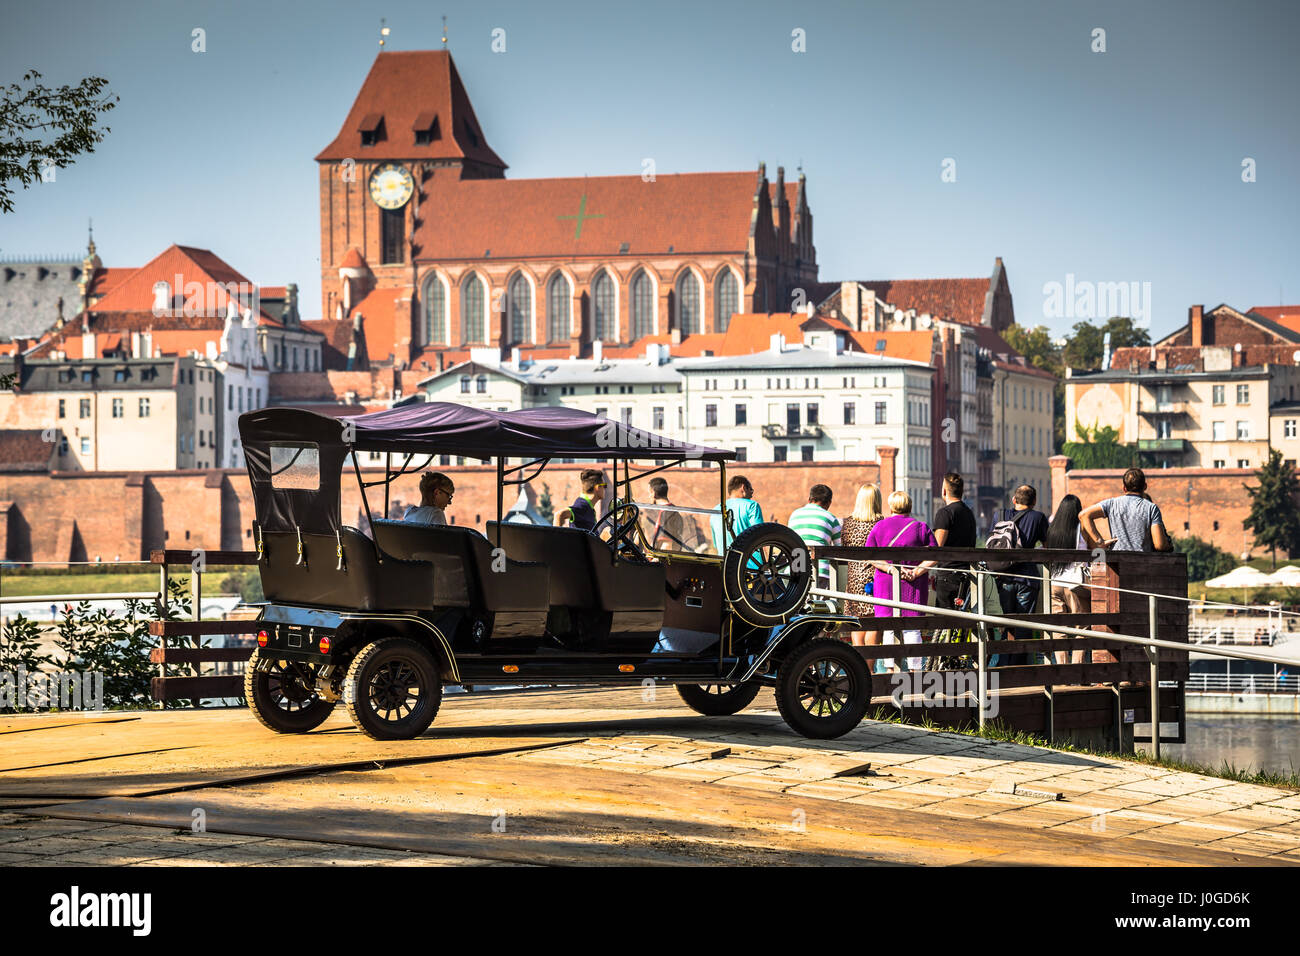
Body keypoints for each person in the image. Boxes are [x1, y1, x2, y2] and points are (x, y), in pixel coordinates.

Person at [864, 490, 938, 672]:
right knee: (912, 628)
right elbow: (935, 554)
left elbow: (870, 555)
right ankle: (915, 671)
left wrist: (891, 569)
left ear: (891, 507)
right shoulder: (921, 527)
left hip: (886, 582)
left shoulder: (879, 527)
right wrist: (917, 571)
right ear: (910, 506)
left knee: (889, 627)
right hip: (913, 583)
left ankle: (890, 670)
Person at [989, 484, 1049, 666]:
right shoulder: (1038, 518)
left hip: (1002, 576)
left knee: (1007, 621)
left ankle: (1004, 664)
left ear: (1014, 500)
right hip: (1027, 578)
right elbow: (1048, 546)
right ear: (1034, 501)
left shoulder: (999, 515)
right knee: (1024, 623)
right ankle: (1020, 669)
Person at [1045, 493, 1094, 664]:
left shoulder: (1052, 530)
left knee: (1059, 629)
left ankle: (1062, 673)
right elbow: (1095, 548)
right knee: (1082, 628)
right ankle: (1077, 671)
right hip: (1075, 584)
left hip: (1054, 583)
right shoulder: (1083, 529)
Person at [1079, 469, 1172, 553]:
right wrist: (1168, 545)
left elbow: (1084, 515)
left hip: (1117, 564)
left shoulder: (1112, 504)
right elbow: (1159, 545)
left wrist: (1099, 542)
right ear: (1145, 487)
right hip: (1142, 564)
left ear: (1124, 488)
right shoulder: (1151, 508)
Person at [841, 483, 884, 658]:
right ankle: (870, 671)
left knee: (855, 621)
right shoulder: (880, 522)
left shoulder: (848, 522)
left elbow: (844, 546)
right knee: (872, 623)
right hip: (873, 576)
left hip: (853, 577)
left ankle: (857, 668)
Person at [932, 472, 978, 613]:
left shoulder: (945, 513)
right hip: (965, 574)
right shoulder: (969, 513)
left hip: (948, 575)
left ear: (944, 491)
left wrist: (918, 570)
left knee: (944, 623)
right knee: (962, 622)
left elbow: (937, 548)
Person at [788, 484, 843, 590]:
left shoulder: (794, 515)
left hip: (795, 569)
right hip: (821, 572)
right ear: (828, 503)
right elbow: (839, 548)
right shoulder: (831, 518)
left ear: (809, 499)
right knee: (820, 605)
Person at [709, 474, 764, 552]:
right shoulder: (752, 506)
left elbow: (716, 544)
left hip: (726, 562)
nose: (752, 493)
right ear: (743, 488)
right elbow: (761, 537)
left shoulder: (716, 510)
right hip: (749, 563)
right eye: (751, 489)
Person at [645, 476, 687, 551]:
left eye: (649, 493)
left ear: (654, 493)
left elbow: (667, 544)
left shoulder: (667, 513)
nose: (648, 496)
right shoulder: (671, 510)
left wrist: (655, 560)